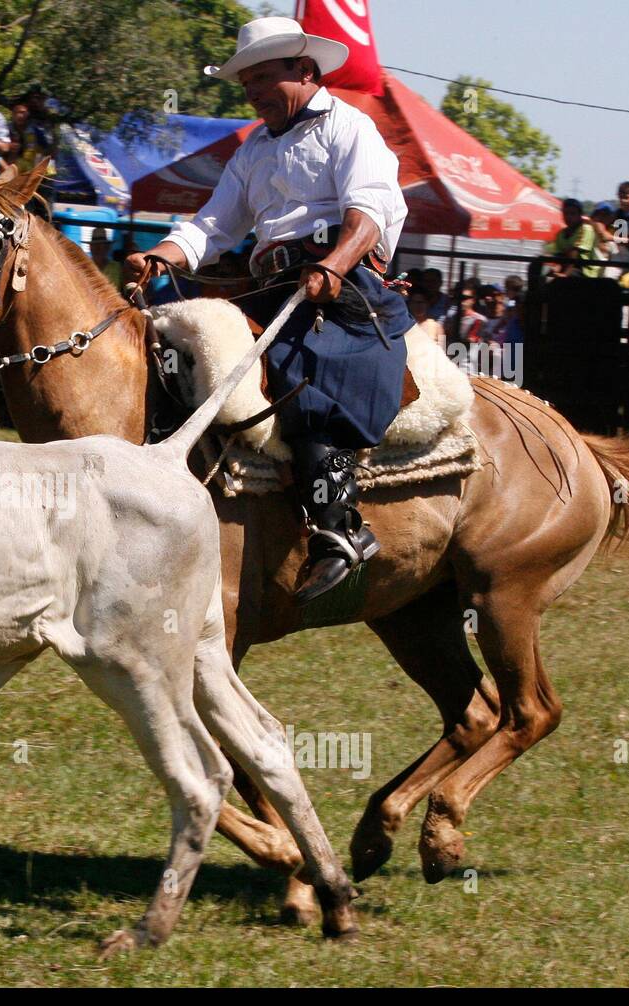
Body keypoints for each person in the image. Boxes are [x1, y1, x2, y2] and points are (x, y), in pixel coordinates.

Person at [126, 16, 411, 604]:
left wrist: (334, 265)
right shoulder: (253, 149)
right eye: (245, 82)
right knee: (173, 350)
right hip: (271, 286)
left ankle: (340, 531)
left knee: (300, 382)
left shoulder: (351, 128)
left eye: (261, 78)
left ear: (303, 70)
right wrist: (161, 256)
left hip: (343, 287)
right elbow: (212, 224)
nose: (251, 92)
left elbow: (369, 214)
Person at [544, 198, 600, 279]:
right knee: (539, 268)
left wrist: (565, 274)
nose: (568, 217)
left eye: (572, 214)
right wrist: (555, 267)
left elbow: (575, 253)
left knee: (569, 278)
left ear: (580, 215)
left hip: (586, 271)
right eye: (566, 213)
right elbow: (559, 254)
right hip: (567, 267)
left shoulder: (586, 229)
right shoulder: (561, 234)